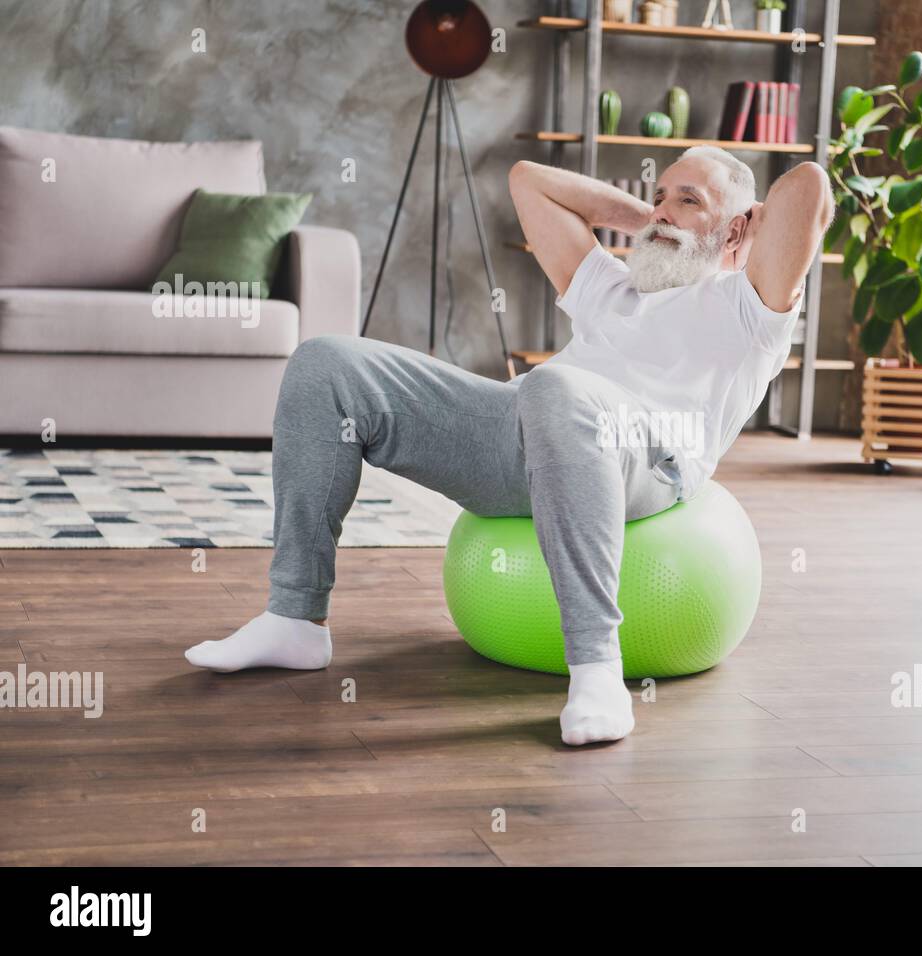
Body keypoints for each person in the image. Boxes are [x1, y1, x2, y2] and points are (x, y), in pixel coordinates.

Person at [185, 145, 835, 746]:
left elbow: (806, 187)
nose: (663, 209)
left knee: (557, 387)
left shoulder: (749, 311)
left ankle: (597, 669)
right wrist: (654, 217)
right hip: (519, 433)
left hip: (639, 455)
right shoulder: (614, 288)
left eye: (687, 199)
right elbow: (529, 182)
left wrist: (738, 226)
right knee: (325, 364)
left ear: (740, 230)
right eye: (659, 194)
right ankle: (296, 618)